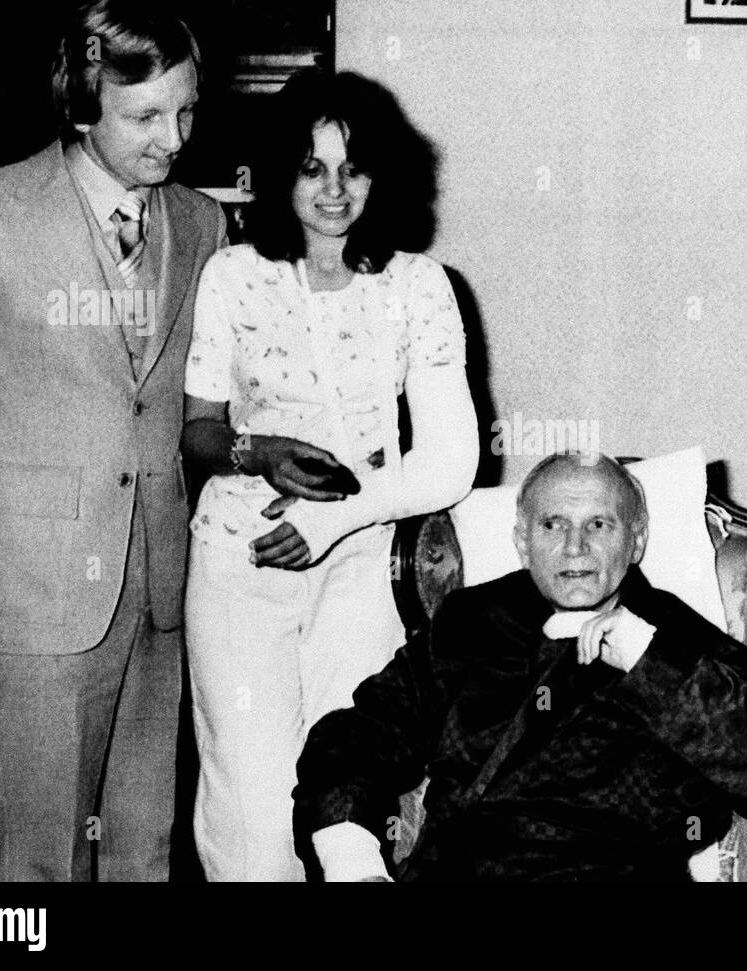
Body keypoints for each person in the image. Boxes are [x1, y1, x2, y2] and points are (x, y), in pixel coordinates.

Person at [0, 0, 225, 880]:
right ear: (83, 104)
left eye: (187, 110)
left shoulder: (203, 223)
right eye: (146, 116)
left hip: (160, 583)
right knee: (38, 857)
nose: (175, 139)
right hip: (33, 590)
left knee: (141, 848)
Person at [181, 68, 478, 881]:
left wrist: (337, 518)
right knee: (256, 829)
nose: (334, 189)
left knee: (348, 814)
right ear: (282, 173)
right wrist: (260, 450)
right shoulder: (232, 276)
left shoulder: (420, 285)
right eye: (312, 167)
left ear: (386, 175)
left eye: (353, 167)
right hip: (241, 565)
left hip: (359, 566)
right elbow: (199, 435)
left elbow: (452, 461)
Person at [292, 452, 747, 882]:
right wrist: (351, 860)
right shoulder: (469, 622)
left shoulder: (678, 636)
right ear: (522, 541)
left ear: (637, 538)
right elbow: (357, 736)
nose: (576, 546)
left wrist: (651, 662)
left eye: (600, 523)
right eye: (553, 524)